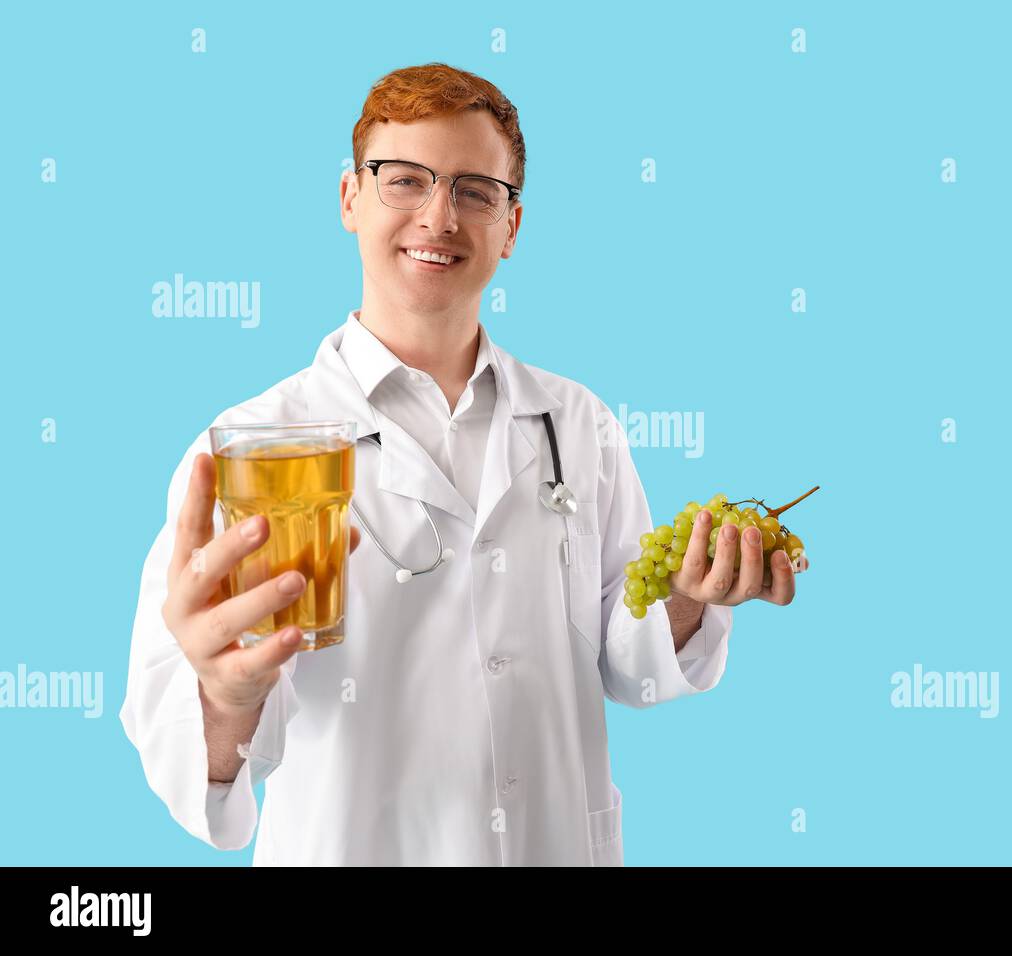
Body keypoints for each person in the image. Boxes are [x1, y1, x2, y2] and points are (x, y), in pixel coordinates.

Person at [119, 62, 804, 866]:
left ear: (511, 227)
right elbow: (187, 762)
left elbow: (629, 663)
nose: (439, 217)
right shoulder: (247, 447)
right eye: (404, 180)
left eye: (476, 191)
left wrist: (686, 599)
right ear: (349, 200)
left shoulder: (577, 422)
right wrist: (228, 697)